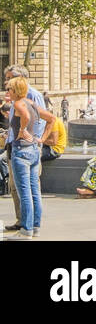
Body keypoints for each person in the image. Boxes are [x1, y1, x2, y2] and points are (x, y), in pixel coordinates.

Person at [6, 77, 55, 238]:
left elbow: (25, 117)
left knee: (24, 193)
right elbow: (51, 119)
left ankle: (25, 229)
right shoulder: (32, 102)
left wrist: (21, 130)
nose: (7, 92)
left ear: (15, 90)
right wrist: (40, 138)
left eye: (9, 89)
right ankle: (35, 227)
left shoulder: (18, 103)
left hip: (21, 151)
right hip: (34, 150)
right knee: (34, 191)